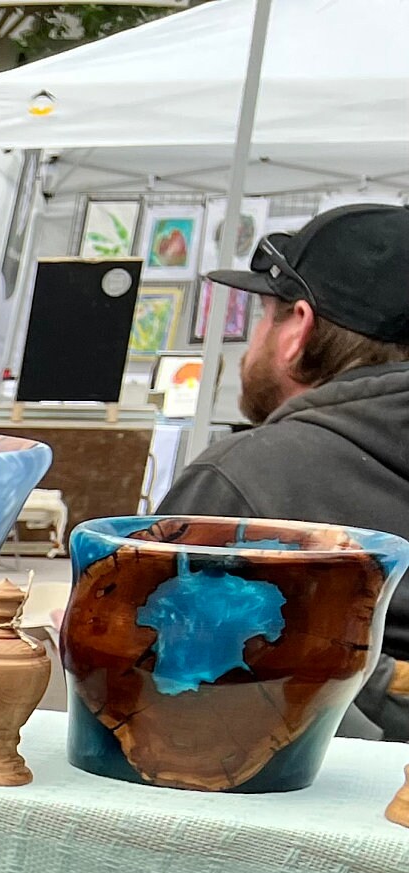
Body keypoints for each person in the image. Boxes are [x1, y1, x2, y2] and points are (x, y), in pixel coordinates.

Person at [161, 205, 409, 738]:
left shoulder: (241, 483)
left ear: (298, 327)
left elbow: (143, 685)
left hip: (302, 802)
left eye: (262, 316)